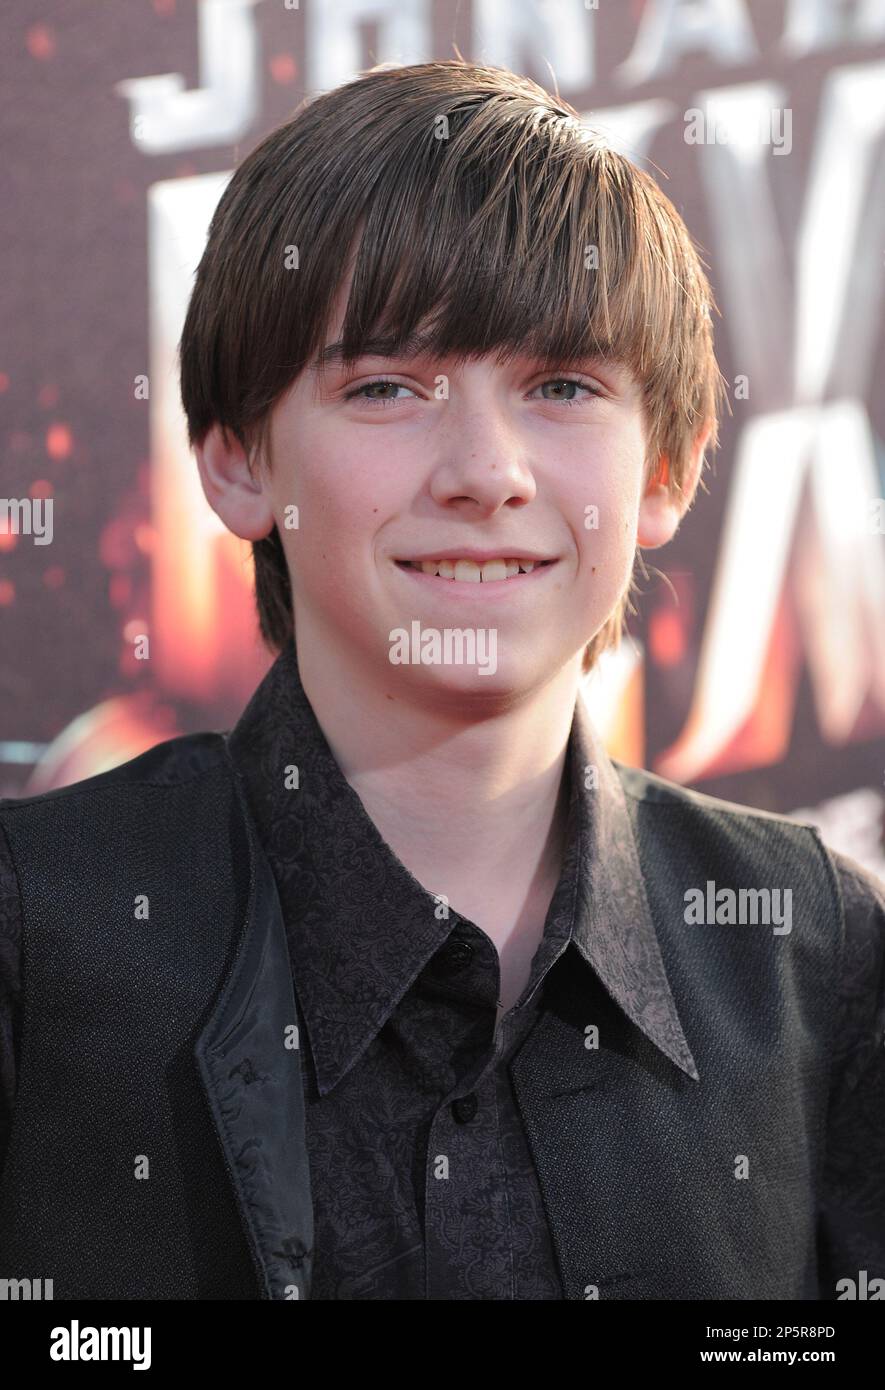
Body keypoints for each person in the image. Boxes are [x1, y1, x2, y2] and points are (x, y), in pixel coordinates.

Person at [1, 60, 883, 1301]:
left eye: (562, 386)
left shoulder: (818, 952)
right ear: (237, 462)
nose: (486, 470)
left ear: (669, 472)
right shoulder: (34, 937)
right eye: (387, 388)